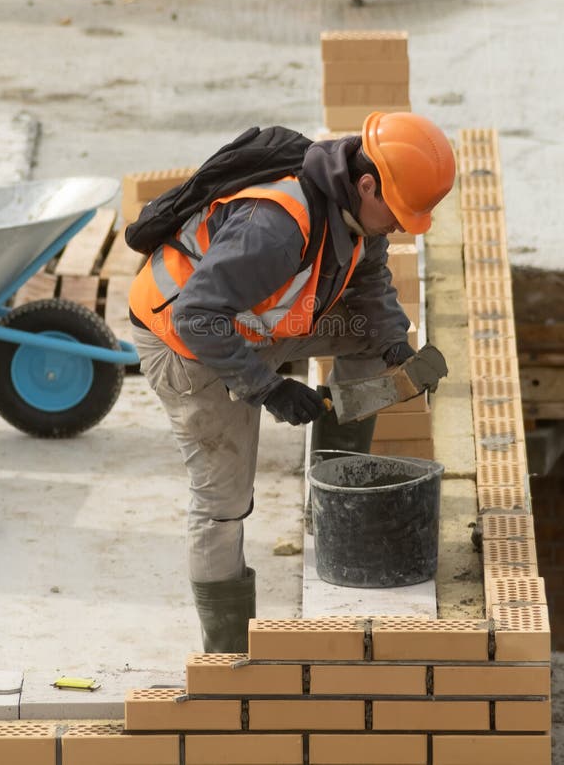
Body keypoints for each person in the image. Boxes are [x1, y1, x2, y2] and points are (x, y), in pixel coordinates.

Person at [128, 110, 456, 653]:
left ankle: (332, 500)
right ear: (367, 184)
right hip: (187, 345)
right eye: (398, 213)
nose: (400, 225)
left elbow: (369, 280)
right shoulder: (275, 229)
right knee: (222, 503)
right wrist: (268, 388)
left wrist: (397, 343)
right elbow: (197, 317)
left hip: (251, 322)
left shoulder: (358, 210)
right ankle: (228, 653)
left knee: (371, 343)